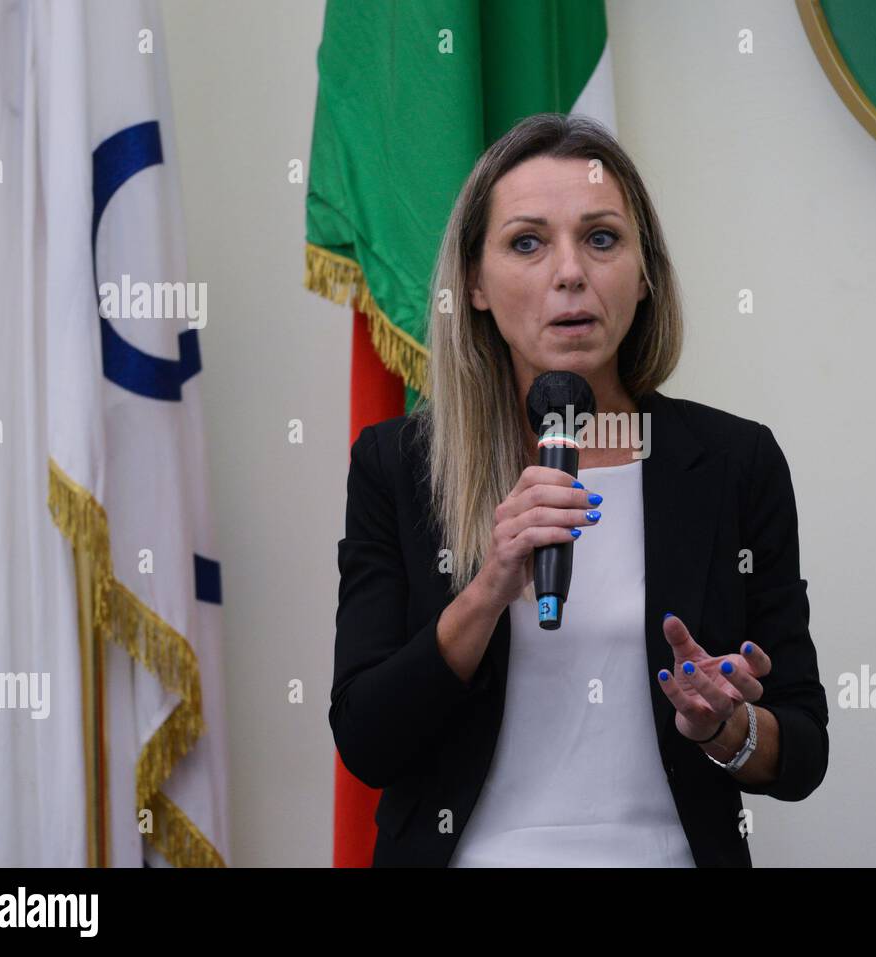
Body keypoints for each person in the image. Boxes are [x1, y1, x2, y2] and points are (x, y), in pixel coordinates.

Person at [330, 113, 829, 867]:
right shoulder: (399, 465)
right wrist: (488, 587)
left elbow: (803, 750)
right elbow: (367, 738)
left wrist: (726, 727)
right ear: (474, 284)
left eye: (601, 238)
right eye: (527, 242)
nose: (571, 272)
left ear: (644, 271)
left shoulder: (735, 462)